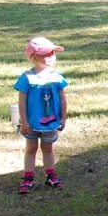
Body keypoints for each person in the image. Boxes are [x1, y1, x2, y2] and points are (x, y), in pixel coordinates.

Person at [14, 36, 69, 194]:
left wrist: (63, 117)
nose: (51, 57)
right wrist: (24, 122)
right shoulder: (27, 78)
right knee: (31, 148)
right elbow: (22, 102)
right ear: (34, 57)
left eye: (53, 53)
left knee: (48, 148)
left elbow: (63, 99)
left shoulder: (57, 77)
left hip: (50, 123)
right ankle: (28, 178)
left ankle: (51, 175)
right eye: (46, 54)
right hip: (31, 123)